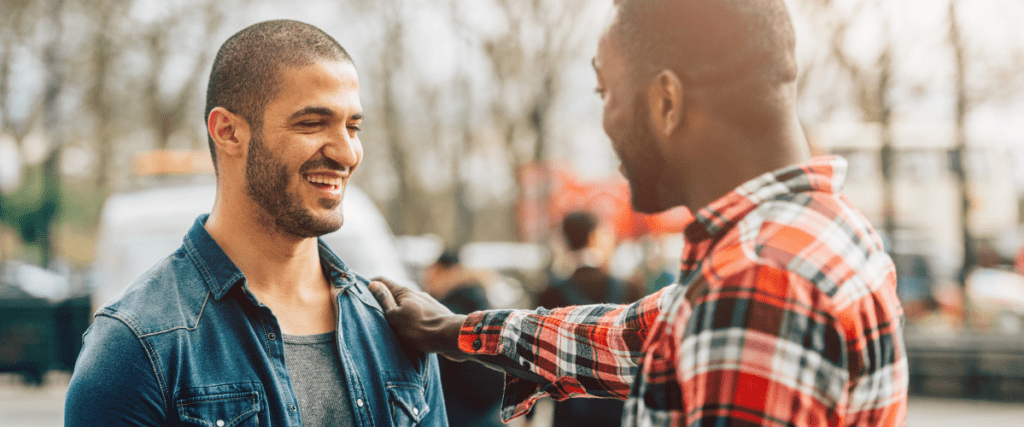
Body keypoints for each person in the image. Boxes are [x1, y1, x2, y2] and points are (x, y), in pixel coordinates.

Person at [367, 0, 908, 426]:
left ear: (667, 102)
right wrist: (454, 329)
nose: (604, 123)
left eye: (605, 91)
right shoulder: (822, 230)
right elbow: (626, 338)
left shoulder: (755, 282)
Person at [65, 20, 446, 427]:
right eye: (312, 123)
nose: (347, 152)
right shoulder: (138, 345)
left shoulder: (396, 331)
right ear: (227, 131)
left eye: (353, 127)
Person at [535, 211, 629, 427]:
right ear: (594, 236)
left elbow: (537, 359)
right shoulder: (629, 288)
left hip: (570, 409)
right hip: (620, 408)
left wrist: (529, 415)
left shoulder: (549, 293)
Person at [422, 250, 505, 427]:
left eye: (430, 275)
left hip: (460, 410)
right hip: (492, 409)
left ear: (441, 272)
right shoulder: (484, 302)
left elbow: (435, 370)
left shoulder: (446, 311)